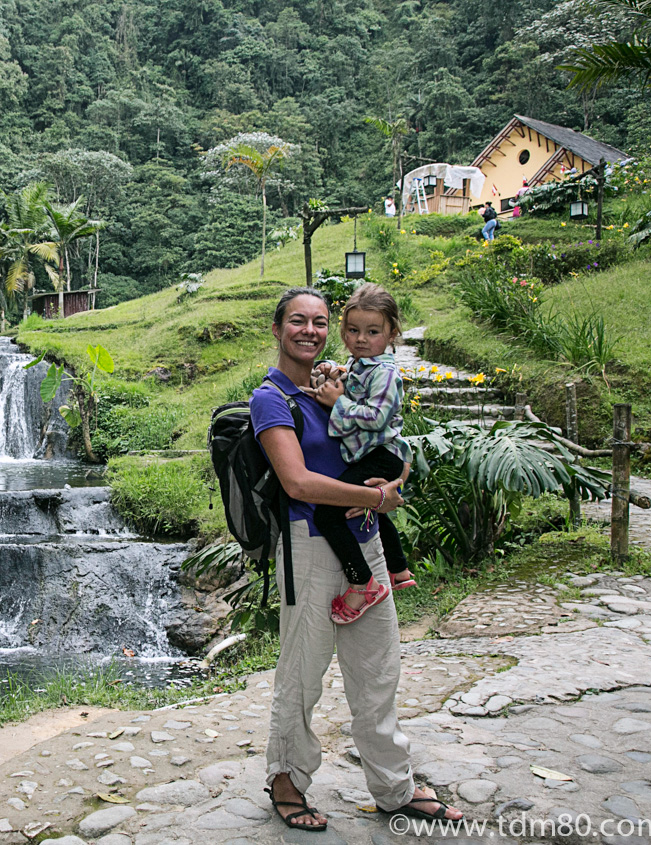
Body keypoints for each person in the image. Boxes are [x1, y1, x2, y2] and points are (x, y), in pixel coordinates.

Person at [250, 287, 463, 831]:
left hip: (364, 543)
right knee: (302, 674)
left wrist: (392, 482)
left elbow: (387, 447)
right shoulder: (271, 399)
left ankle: (395, 787)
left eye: (320, 322)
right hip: (309, 547)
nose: (310, 331)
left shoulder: (343, 385)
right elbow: (297, 483)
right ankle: (287, 780)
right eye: (298, 321)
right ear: (277, 329)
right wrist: (376, 499)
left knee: (378, 672)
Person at [311, 284, 415, 625]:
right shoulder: (362, 364)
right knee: (371, 510)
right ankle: (399, 569)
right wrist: (334, 372)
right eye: (353, 330)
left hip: (381, 455)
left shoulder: (384, 372)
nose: (361, 339)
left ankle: (362, 582)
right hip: (376, 455)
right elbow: (352, 378)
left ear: (392, 333)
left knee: (328, 513)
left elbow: (377, 416)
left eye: (372, 332)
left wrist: (337, 402)